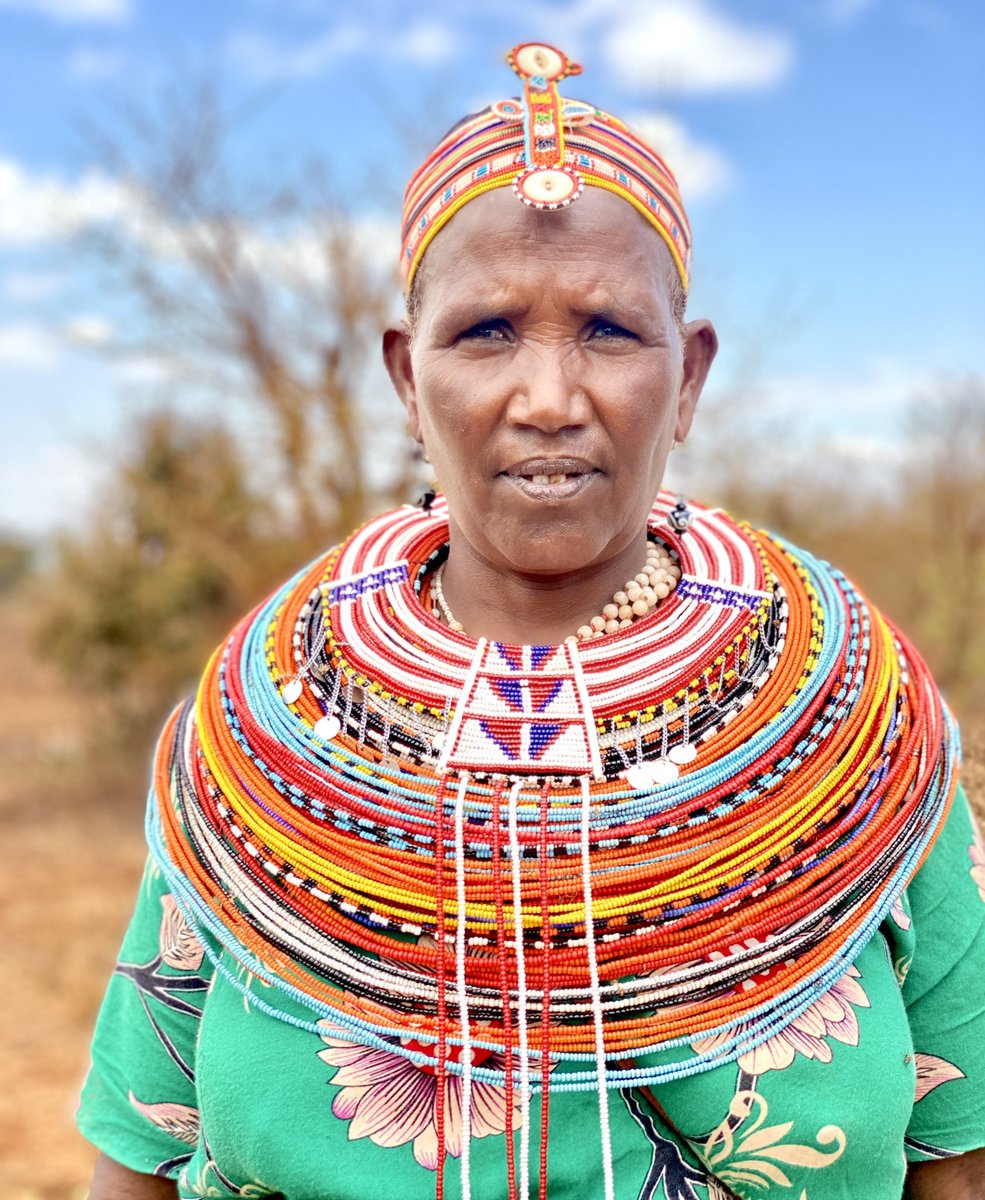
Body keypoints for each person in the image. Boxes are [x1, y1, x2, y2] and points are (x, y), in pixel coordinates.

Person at [79, 42, 985, 1200]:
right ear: (409, 381)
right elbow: (140, 1155)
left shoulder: (858, 715)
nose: (550, 398)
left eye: (608, 331)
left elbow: (956, 1158)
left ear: (689, 376)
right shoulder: (261, 735)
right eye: (485, 332)